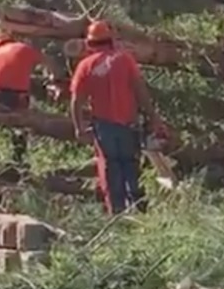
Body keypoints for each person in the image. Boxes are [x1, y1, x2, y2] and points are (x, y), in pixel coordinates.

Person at [69, 21, 163, 215]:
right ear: (111, 40)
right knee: (131, 164)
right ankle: (140, 208)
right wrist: (152, 117)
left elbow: (76, 100)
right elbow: (140, 90)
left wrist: (79, 127)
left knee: (110, 168)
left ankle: (116, 213)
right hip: (128, 122)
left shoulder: (85, 65)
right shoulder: (125, 59)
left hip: (103, 125)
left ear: (90, 43)